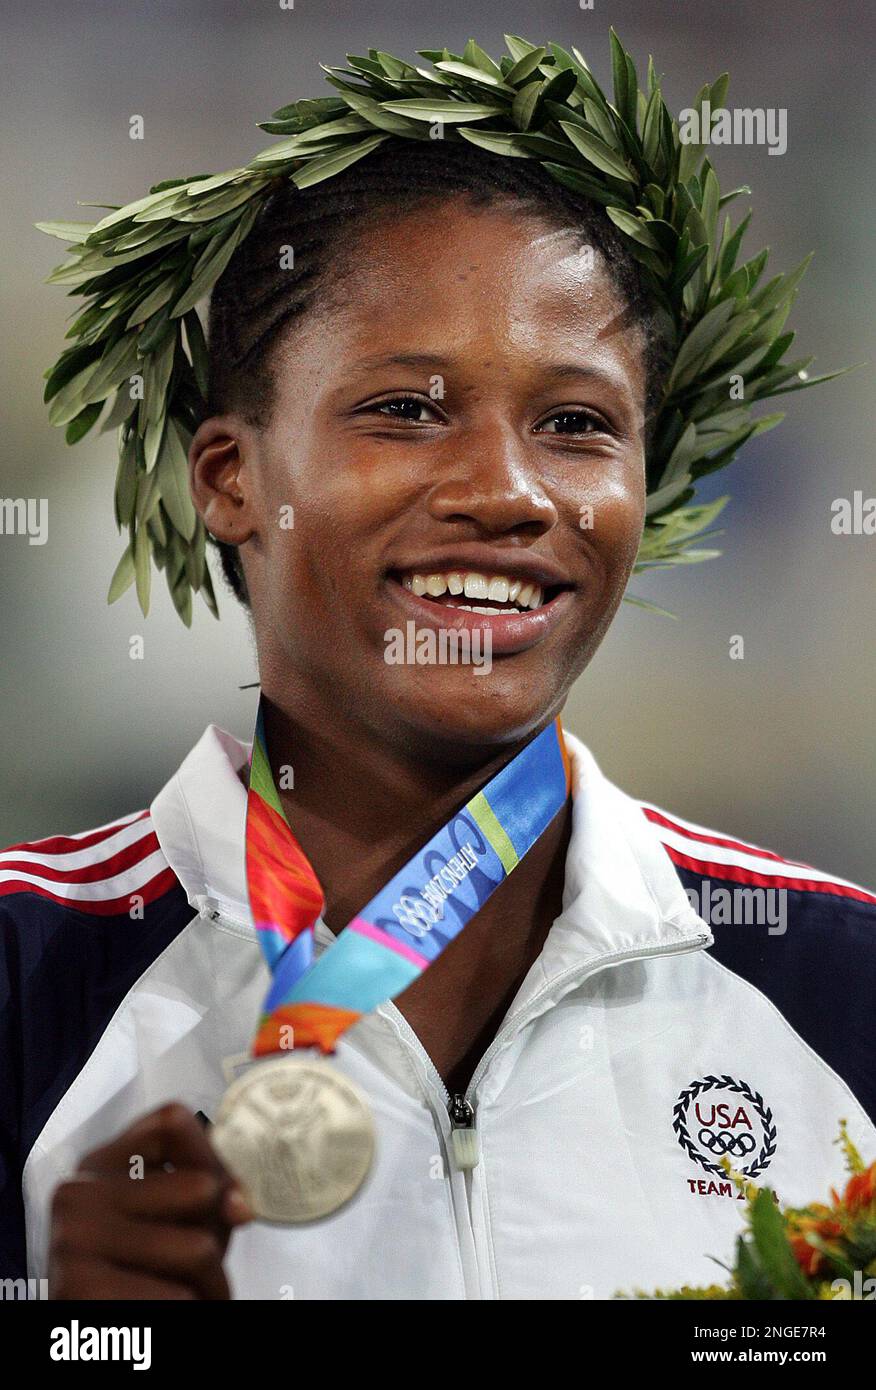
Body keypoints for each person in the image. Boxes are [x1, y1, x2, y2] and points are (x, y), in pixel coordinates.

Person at [3, 40, 874, 1301]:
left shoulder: (835, 986)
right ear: (231, 478)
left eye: (576, 425)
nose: (510, 493)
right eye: (406, 409)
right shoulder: (31, 976)